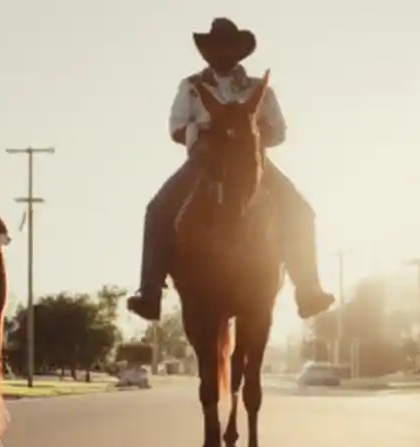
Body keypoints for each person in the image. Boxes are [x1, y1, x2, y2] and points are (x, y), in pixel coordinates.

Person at [126, 18, 335, 322]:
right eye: (213, 49)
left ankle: (308, 289)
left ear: (238, 53)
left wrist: (250, 131)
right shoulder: (191, 86)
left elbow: (279, 131)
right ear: (206, 53)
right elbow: (176, 127)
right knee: (158, 208)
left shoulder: (259, 89)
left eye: (227, 48)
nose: (219, 54)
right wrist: (207, 131)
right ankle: (150, 291)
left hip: (251, 160)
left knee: (300, 209)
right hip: (204, 158)